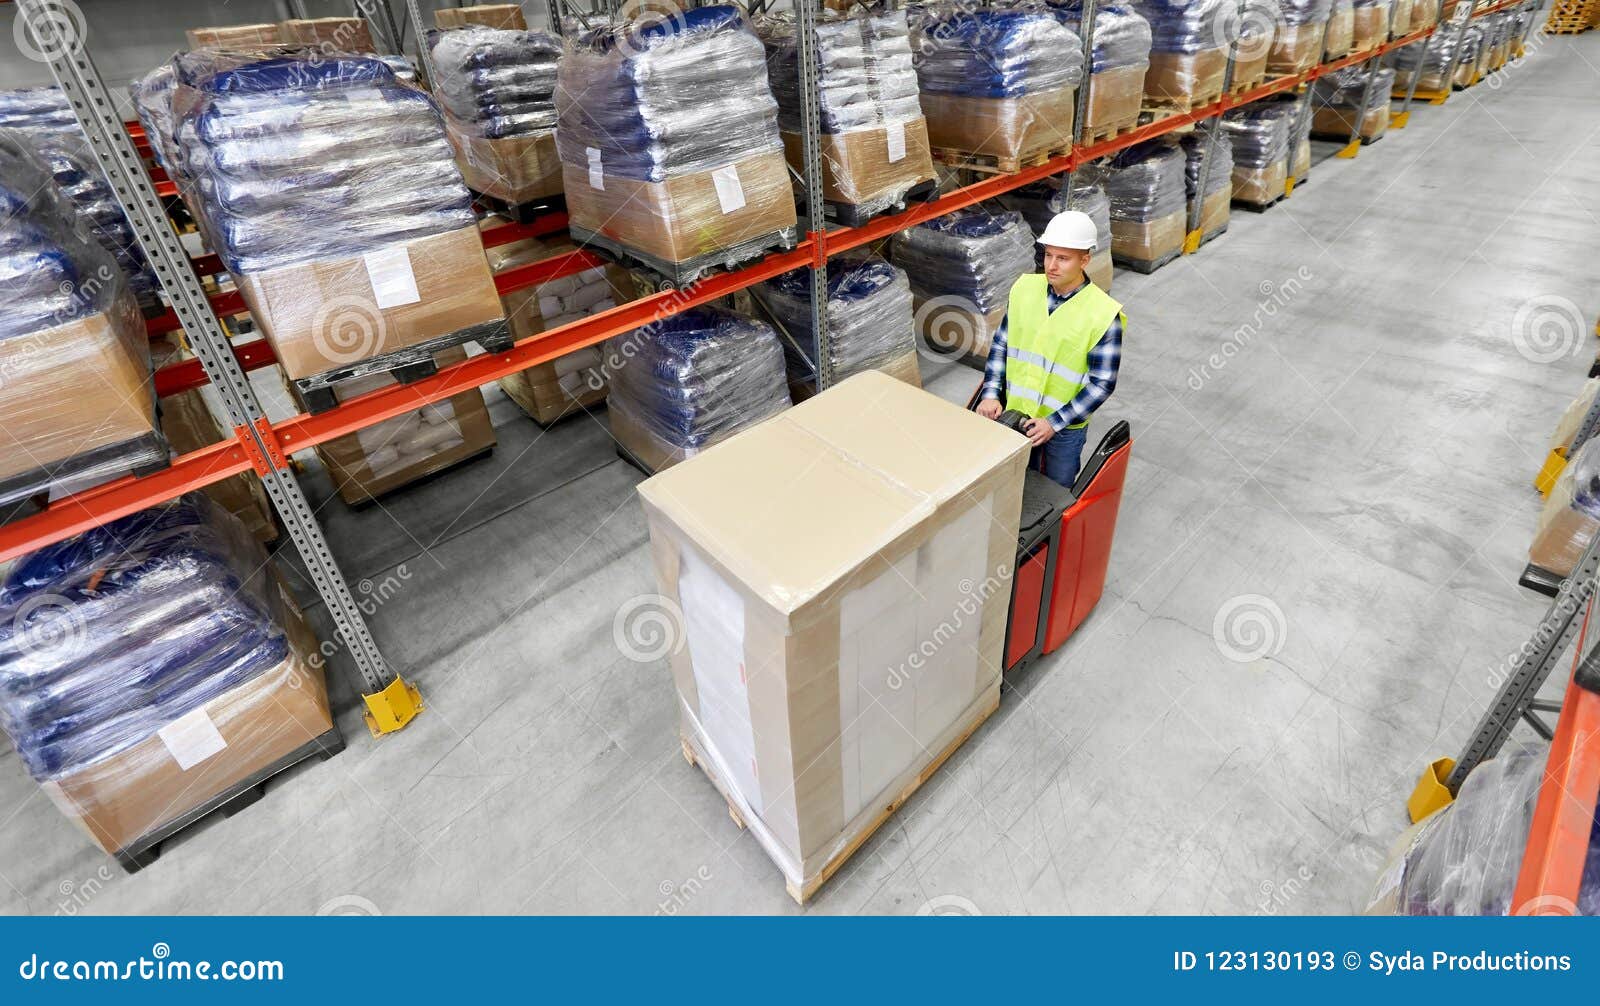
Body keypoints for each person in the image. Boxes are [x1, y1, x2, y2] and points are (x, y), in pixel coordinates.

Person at [976, 209, 1124, 488]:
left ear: (1085, 260)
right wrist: (992, 393)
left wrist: (1054, 422)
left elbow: (1101, 384)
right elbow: (1002, 344)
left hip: (1064, 429)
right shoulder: (1024, 289)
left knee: (1053, 492)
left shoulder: (1103, 314)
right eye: (1048, 255)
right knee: (1010, 485)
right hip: (1014, 412)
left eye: (1063, 258)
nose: (1051, 266)